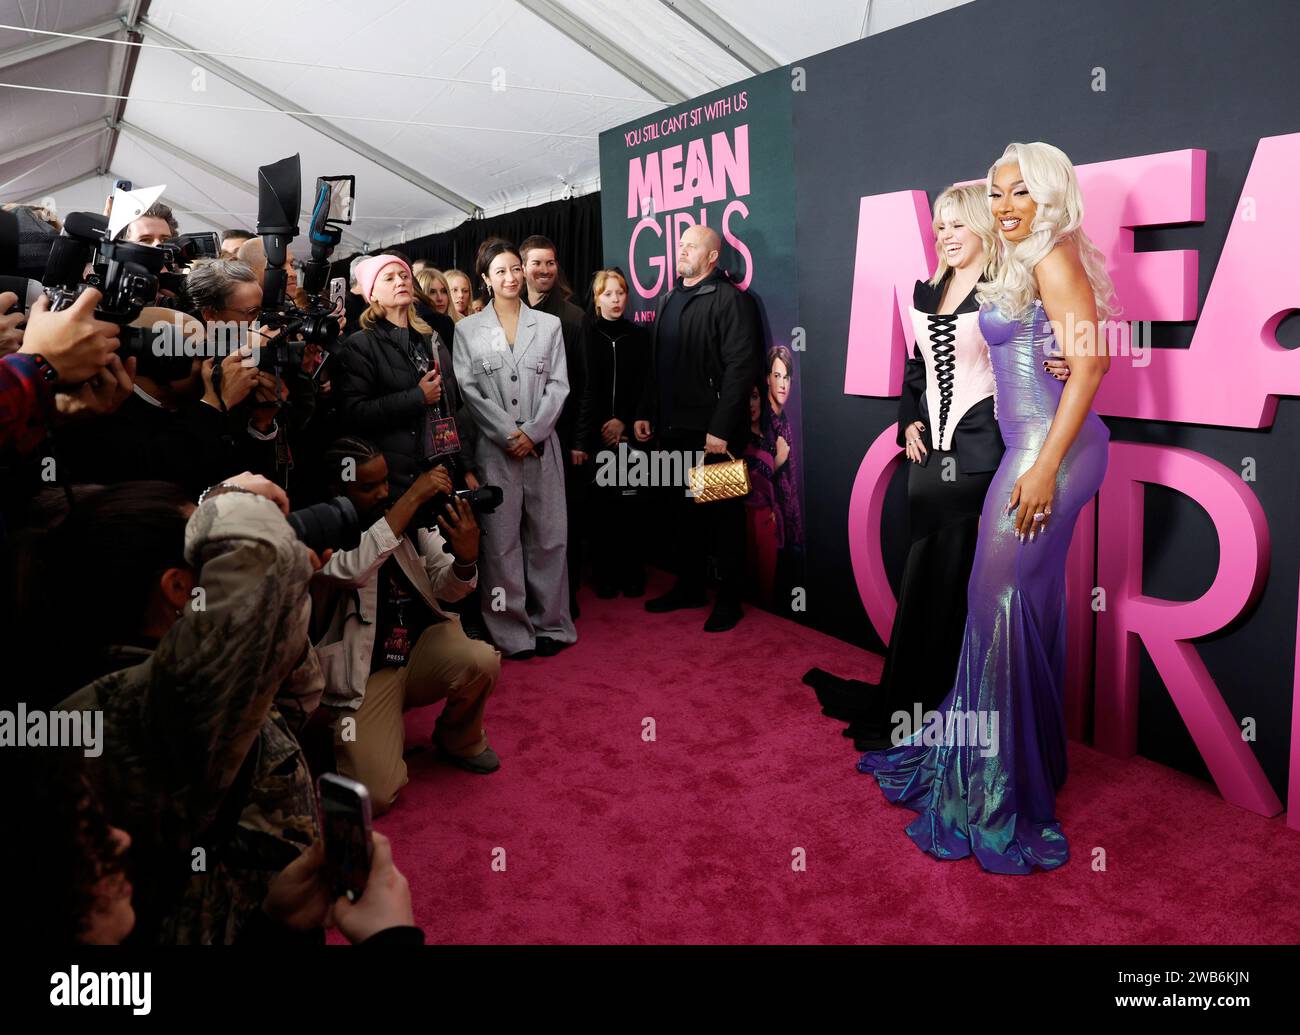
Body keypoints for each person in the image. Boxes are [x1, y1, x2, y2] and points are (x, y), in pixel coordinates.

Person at [857, 142, 1115, 875]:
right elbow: (1067, 350)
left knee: (995, 599)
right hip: (1034, 444)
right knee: (1012, 603)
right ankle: (1022, 765)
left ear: (1049, 194)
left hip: (1049, 451)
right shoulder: (1023, 257)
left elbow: (1090, 361)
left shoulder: (1052, 254)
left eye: (1018, 193)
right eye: (996, 193)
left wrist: (1044, 467)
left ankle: (1002, 791)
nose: (1004, 206)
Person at [56, 474, 328, 941]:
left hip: (258, 916)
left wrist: (278, 598)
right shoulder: (153, 702)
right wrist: (222, 502)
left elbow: (300, 692)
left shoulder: (203, 681)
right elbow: (263, 553)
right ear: (178, 588)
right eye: (207, 556)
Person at [807, 184, 1008, 750]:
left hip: (978, 456)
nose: (944, 235)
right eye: (939, 225)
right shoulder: (929, 289)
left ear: (983, 228)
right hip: (927, 458)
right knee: (923, 578)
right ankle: (912, 698)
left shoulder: (1006, 291)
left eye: (956, 225)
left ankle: (952, 706)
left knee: (960, 585)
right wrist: (909, 421)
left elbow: (1024, 370)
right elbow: (917, 368)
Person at [312, 437, 502, 813]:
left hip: (416, 650)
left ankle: (459, 739)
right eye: (368, 487)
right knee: (377, 795)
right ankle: (338, 735)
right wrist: (410, 499)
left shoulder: (408, 520)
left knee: (481, 659)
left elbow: (446, 588)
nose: (384, 493)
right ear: (337, 489)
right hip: (365, 674)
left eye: (385, 482)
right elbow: (352, 569)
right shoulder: (322, 532)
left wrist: (465, 559)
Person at [634, 224, 761, 632]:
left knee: (723, 518)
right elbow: (658, 364)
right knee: (683, 517)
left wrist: (721, 428)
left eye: (692, 246)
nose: (682, 251)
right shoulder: (670, 298)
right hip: (674, 430)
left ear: (712, 257)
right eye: (681, 244)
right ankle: (689, 588)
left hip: (714, 437)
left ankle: (729, 601)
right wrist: (647, 412)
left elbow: (741, 368)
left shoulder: (731, 301)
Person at [453, 238, 575, 659]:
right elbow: (469, 392)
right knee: (501, 542)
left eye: (515, 269)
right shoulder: (466, 330)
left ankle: (552, 626)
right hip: (495, 450)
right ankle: (510, 632)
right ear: (485, 279)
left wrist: (535, 431)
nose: (511, 277)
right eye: (501, 271)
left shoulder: (550, 326)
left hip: (542, 448)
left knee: (549, 537)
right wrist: (509, 433)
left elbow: (560, 385)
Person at [332, 254, 444, 493]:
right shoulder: (360, 344)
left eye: (404, 276)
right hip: (391, 477)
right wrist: (418, 397)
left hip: (436, 468)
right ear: (372, 294)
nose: (400, 282)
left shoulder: (429, 338)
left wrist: (463, 465)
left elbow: (450, 406)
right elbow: (353, 414)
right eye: (389, 278)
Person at [520, 234, 588, 615]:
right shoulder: (509, 315)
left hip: (561, 437)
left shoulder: (574, 317)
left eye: (550, 263)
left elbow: (584, 386)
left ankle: (567, 597)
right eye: (536, 263)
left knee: (564, 521)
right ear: (522, 267)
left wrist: (579, 439)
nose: (544, 270)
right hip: (521, 437)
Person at [574, 268, 650, 597]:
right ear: (596, 299)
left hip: (630, 435)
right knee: (602, 509)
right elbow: (582, 389)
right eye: (608, 294)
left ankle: (632, 572)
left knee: (631, 508)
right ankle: (605, 574)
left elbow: (647, 385)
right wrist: (599, 427)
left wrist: (626, 420)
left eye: (620, 293)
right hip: (596, 436)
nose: (615, 299)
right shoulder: (586, 336)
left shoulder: (640, 336)